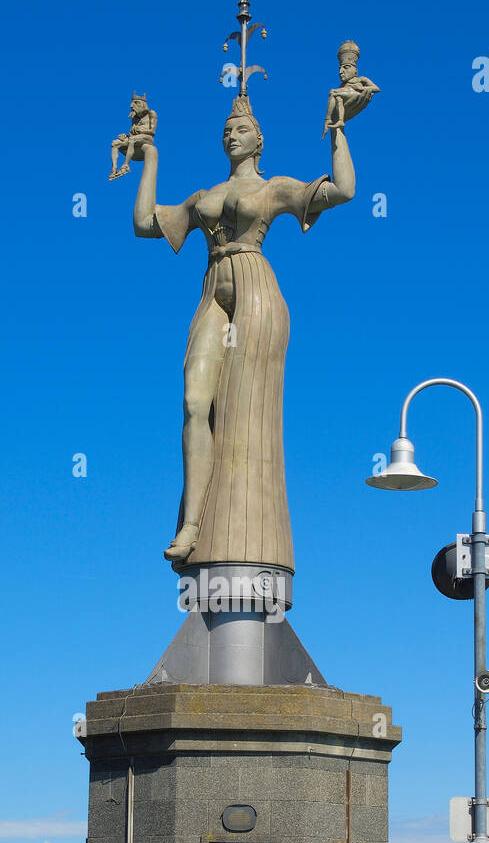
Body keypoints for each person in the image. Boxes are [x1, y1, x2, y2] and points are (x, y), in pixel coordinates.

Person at [132, 91, 360, 567]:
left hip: (256, 287)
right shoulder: (203, 197)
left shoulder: (274, 187)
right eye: (226, 132)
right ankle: (191, 521)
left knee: (243, 411)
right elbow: (144, 223)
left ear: (259, 140)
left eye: (240, 130)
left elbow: (342, 190)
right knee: (196, 404)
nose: (230, 136)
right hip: (213, 288)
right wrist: (149, 157)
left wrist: (338, 130)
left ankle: (239, 526)